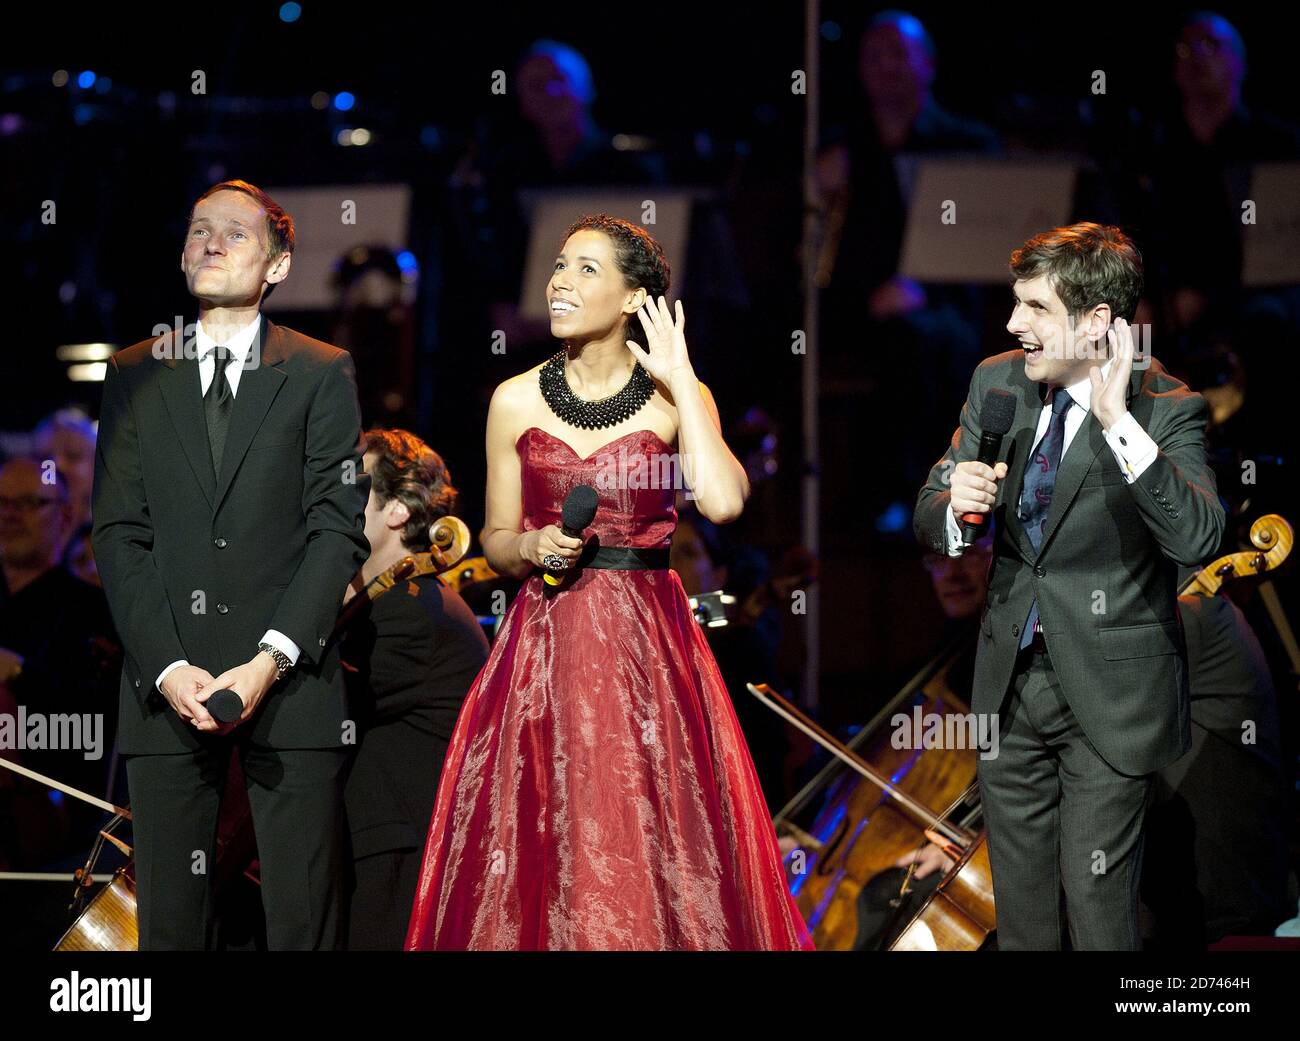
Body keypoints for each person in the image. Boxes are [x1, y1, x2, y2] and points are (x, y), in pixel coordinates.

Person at [405, 214, 812, 950]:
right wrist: (529, 541)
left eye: (586, 269)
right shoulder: (515, 398)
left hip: (646, 648)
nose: (561, 280)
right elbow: (496, 542)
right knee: (545, 830)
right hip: (546, 646)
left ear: (633, 299)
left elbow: (722, 500)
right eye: (559, 265)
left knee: (646, 829)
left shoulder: (674, 399)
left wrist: (683, 380)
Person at [914, 222, 1225, 949]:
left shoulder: (1165, 406)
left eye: (1035, 309)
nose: (1013, 323)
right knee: (1022, 923)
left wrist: (1118, 423)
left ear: (1096, 324)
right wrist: (955, 509)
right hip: (1010, 688)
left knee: (1096, 911)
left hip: (1110, 699)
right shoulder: (998, 382)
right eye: (1016, 304)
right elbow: (933, 505)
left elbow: (1198, 538)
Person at [91, 179, 370, 950]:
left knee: (301, 920)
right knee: (170, 929)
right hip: (164, 687)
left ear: (277, 265)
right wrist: (170, 664)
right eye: (198, 230)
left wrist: (266, 661)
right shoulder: (135, 373)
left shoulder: (319, 371)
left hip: (290, 683)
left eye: (235, 234)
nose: (210, 243)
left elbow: (337, 530)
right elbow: (118, 533)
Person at [339, 428, 489, 950]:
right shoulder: (390, 603)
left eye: (352, 489)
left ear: (399, 510)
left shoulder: (411, 611)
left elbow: (319, 708)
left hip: (393, 864)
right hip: (377, 853)